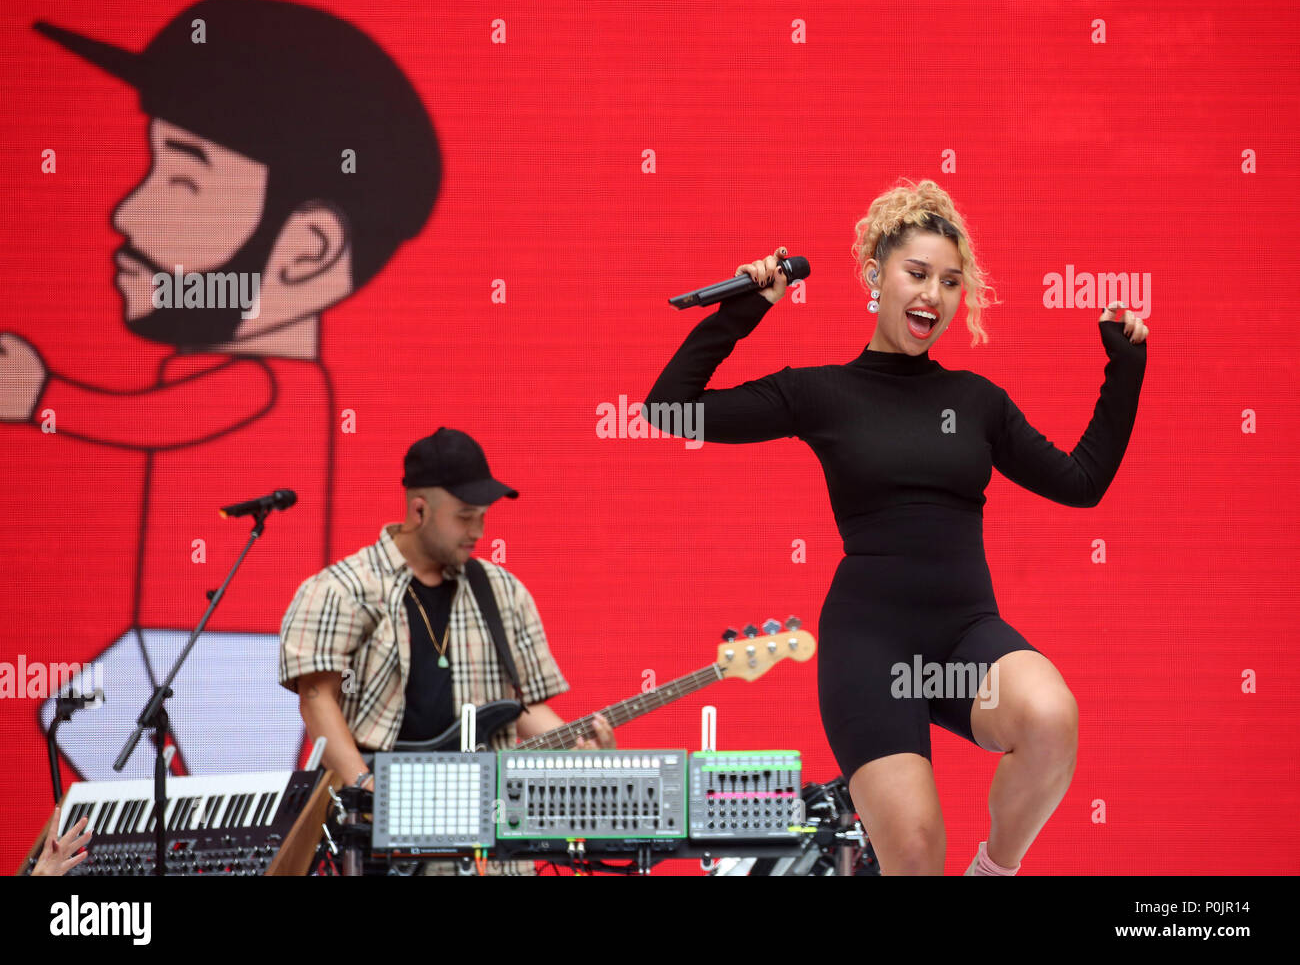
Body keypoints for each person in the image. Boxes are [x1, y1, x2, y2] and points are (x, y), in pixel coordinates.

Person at [643, 179, 1148, 876]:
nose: (933, 297)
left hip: (964, 635)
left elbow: (1082, 484)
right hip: (870, 648)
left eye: (949, 282)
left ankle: (993, 872)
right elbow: (670, 409)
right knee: (913, 851)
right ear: (875, 276)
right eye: (917, 274)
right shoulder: (821, 392)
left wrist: (1125, 371)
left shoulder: (977, 402)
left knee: (1051, 717)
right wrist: (747, 306)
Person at [0, 0, 443, 778]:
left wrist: (42, 397)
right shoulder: (205, 364)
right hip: (177, 647)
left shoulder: (270, 381)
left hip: (240, 657)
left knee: (215, 807)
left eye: (184, 180)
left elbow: (154, 422)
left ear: (307, 248)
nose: (129, 212)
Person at [279, 427, 614, 875]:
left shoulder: (502, 592)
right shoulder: (343, 589)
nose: (478, 531)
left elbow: (519, 707)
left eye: (482, 516)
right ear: (419, 510)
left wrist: (579, 748)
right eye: (464, 517)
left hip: (484, 841)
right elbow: (317, 700)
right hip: (380, 839)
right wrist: (365, 787)